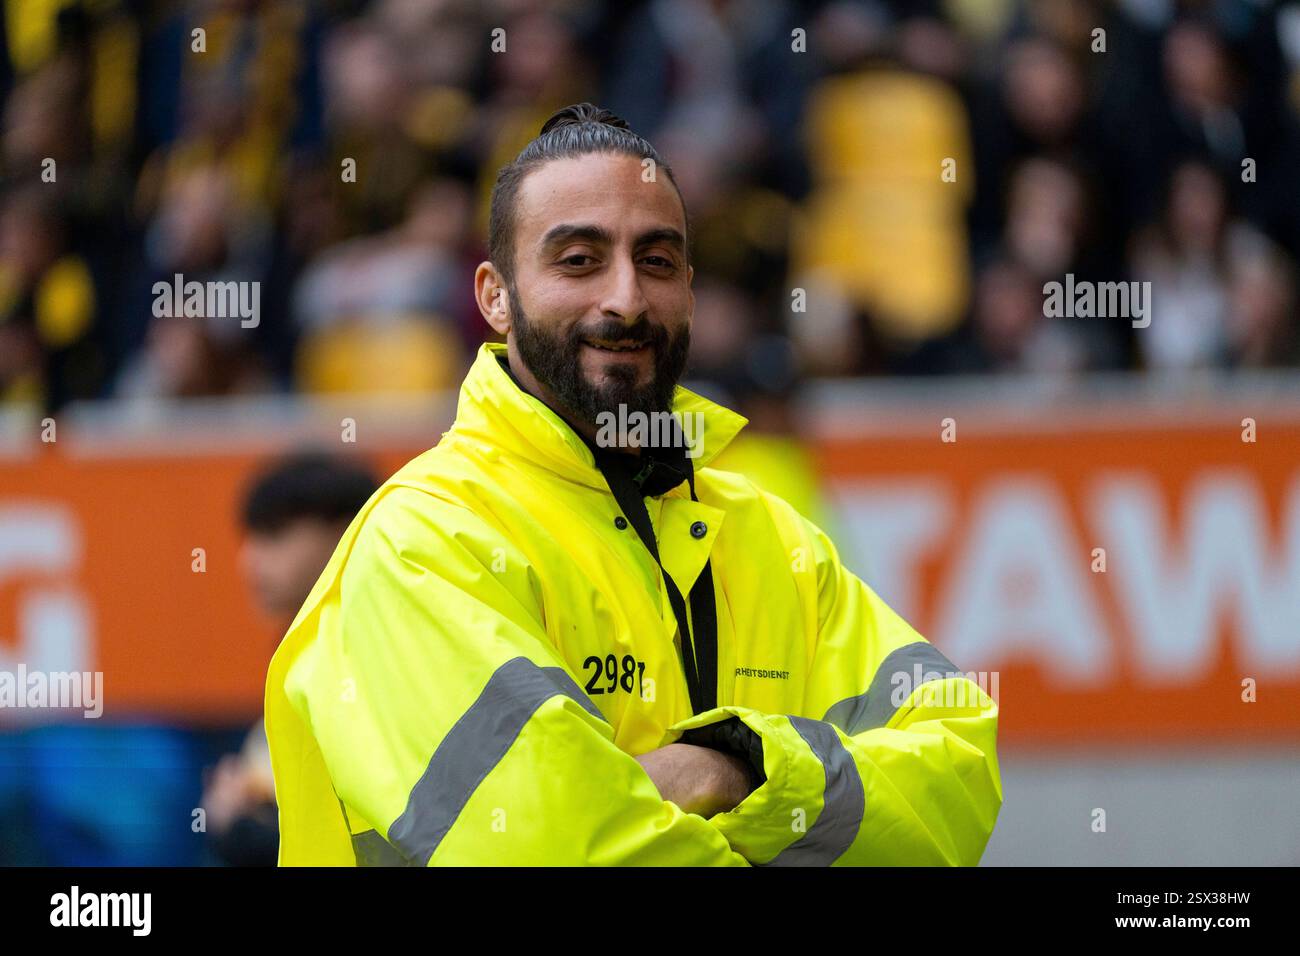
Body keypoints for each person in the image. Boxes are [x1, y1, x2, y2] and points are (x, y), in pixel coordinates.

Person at [265, 103, 1002, 866]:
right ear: (494, 296)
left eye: (655, 260)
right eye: (578, 261)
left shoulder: (777, 541)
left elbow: (960, 774)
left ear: (688, 286)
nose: (625, 298)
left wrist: (741, 770)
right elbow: (558, 852)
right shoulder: (423, 542)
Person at [202, 451, 379, 865]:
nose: (249, 561)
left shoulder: (375, 651)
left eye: (274, 535)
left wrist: (242, 829)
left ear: (343, 531)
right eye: (249, 538)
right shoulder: (300, 652)